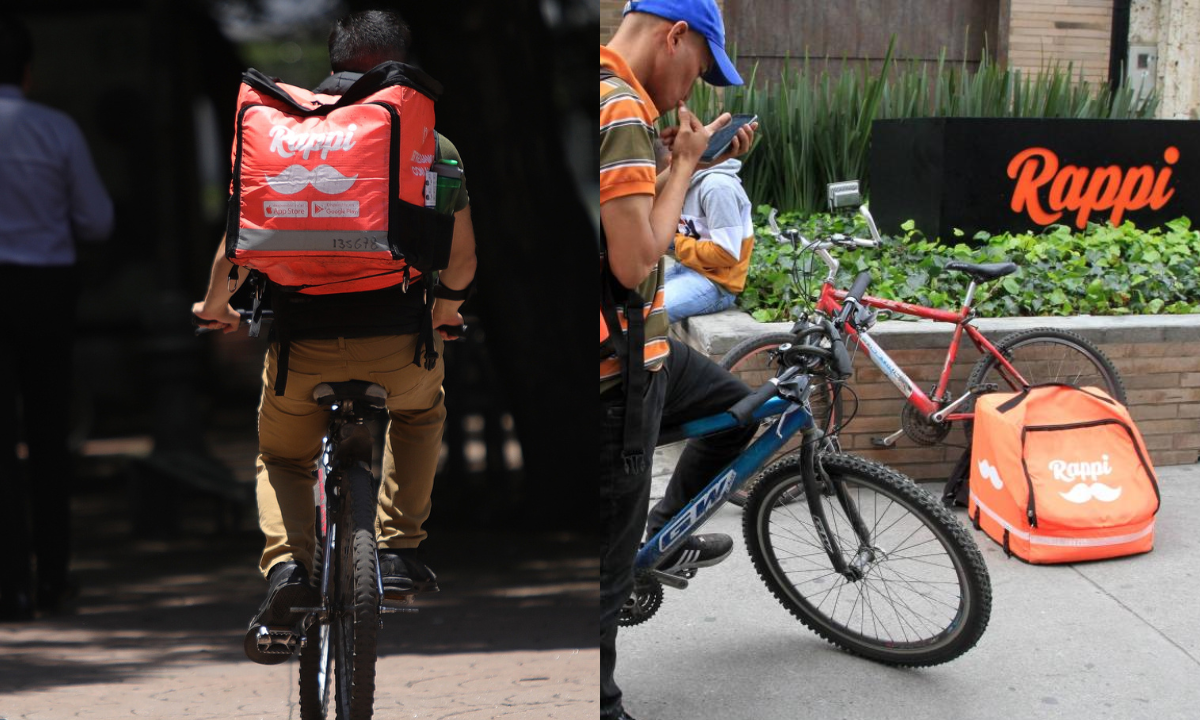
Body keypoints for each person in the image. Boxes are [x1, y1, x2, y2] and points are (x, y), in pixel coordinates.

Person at [192, 10, 477, 663]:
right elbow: (460, 262)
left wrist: (215, 307)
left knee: (281, 457)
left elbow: (238, 243)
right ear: (402, 63)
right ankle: (398, 551)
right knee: (420, 414)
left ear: (333, 62)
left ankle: (289, 568)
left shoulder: (282, 133)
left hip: (303, 350)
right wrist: (446, 311)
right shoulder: (431, 143)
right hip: (398, 342)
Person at [599, 1, 758, 717]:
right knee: (603, 573)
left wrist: (672, 166)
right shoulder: (620, 109)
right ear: (675, 36)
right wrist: (687, 162)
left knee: (737, 411)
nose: (694, 89)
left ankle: (659, 537)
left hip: (645, 348)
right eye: (700, 68)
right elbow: (634, 261)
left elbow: (620, 218)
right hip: (617, 367)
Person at [0, 14, 114, 621]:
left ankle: (9, 587)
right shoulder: (55, 128)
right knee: (48, 436)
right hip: (45, 290)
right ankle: (52, 578)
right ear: (27, 71)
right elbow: (97, 220)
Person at [664, 157, 754, 323]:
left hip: (715, 285)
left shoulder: (717, 187)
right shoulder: (687, 182)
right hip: (687, 269)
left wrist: (677, 244)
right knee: (625, 305)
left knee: (647, 314)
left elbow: (726, 253)